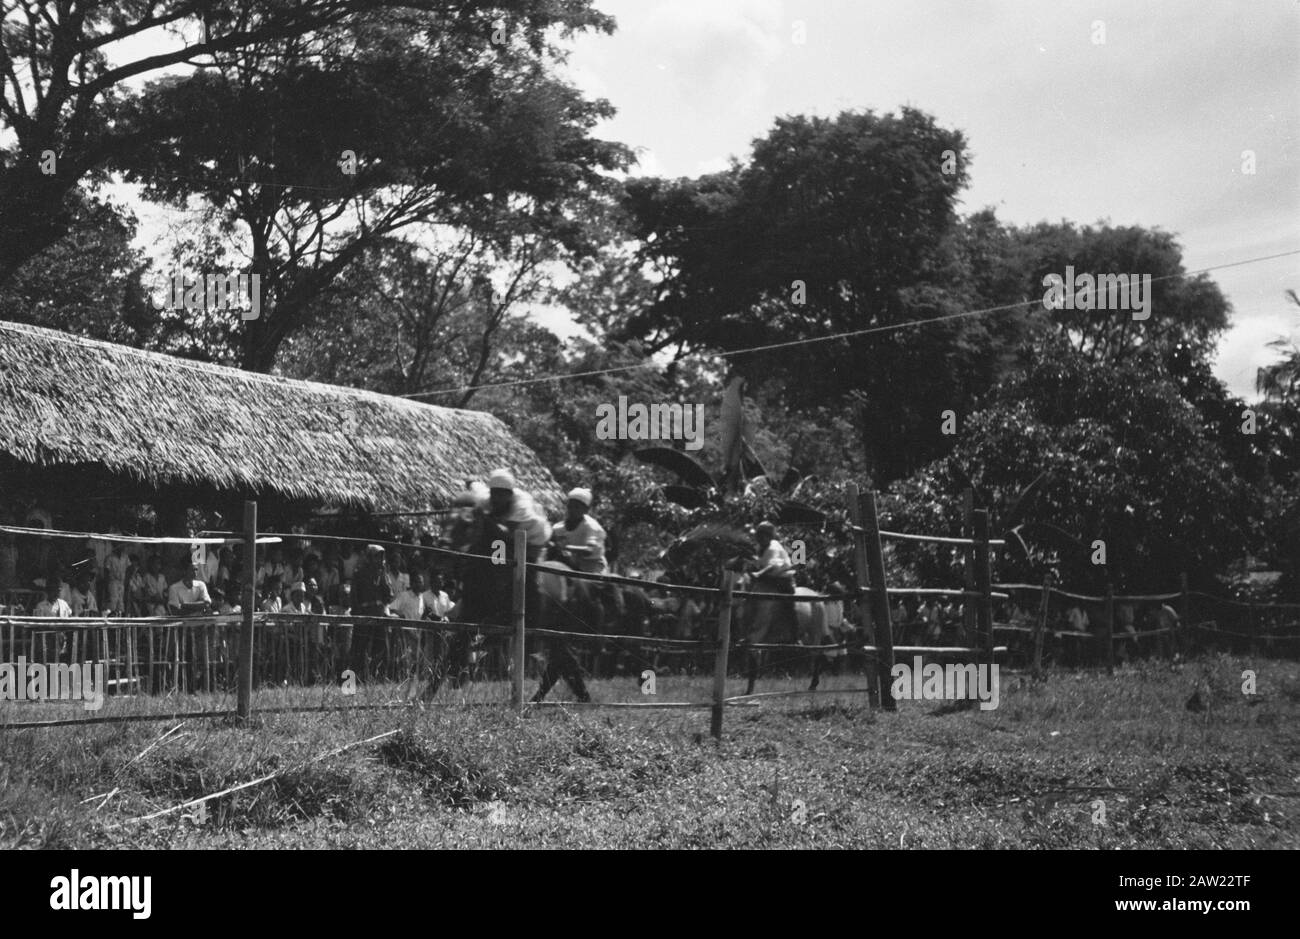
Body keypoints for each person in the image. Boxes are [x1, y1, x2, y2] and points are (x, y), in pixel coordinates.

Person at [104, 543, 129, 616]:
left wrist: (126, 581)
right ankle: (111, 621)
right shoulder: (110, 557)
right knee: (113, 602)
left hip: (122, 582)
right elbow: (106, 571)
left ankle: (119, 622)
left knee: (121, 603)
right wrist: (107, 585)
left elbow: (129, 568)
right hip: (113, 582)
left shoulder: (125, 557)